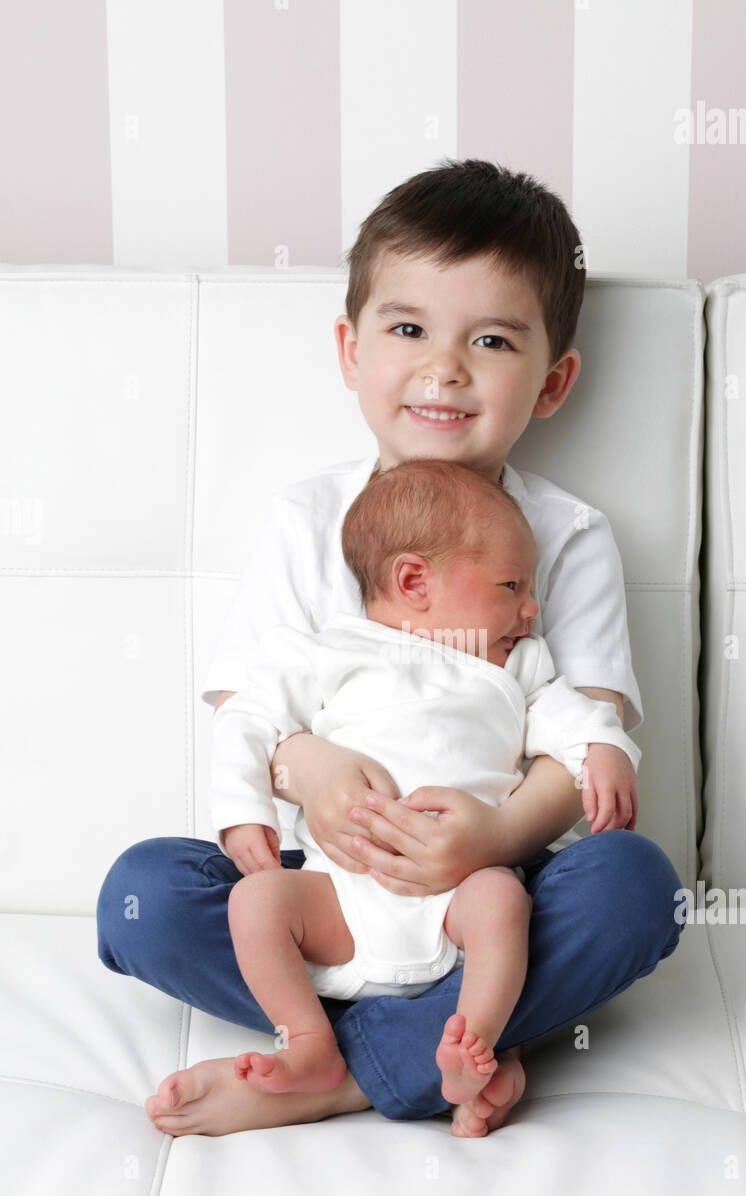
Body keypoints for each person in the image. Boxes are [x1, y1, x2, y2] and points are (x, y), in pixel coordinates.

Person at [96, 156, 685, 1139]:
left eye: (491, 340)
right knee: (144, 892)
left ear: (553, 381)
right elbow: (252, 710)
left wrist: (492, 838)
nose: (442, 367)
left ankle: (340, 1071)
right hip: (329, 881)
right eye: (406, 328)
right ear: (349, 349)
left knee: (633, 888)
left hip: (490, 887)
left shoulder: (568, 536)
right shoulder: (304, 518)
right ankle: (432, 1048)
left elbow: (574, 743)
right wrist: (314, 769)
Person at [210, 459, 642, 1118]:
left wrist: (603, 748)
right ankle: (308, 1040)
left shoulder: (517, 663)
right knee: (251, 901)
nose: (531, 608)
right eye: (512, 585)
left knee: (510, 899)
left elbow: (567, 717)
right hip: (342, 897)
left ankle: (476, 1043)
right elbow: (247, 719)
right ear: (414, 580)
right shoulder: (332, 651)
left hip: (460, 904)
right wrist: (244, 813)